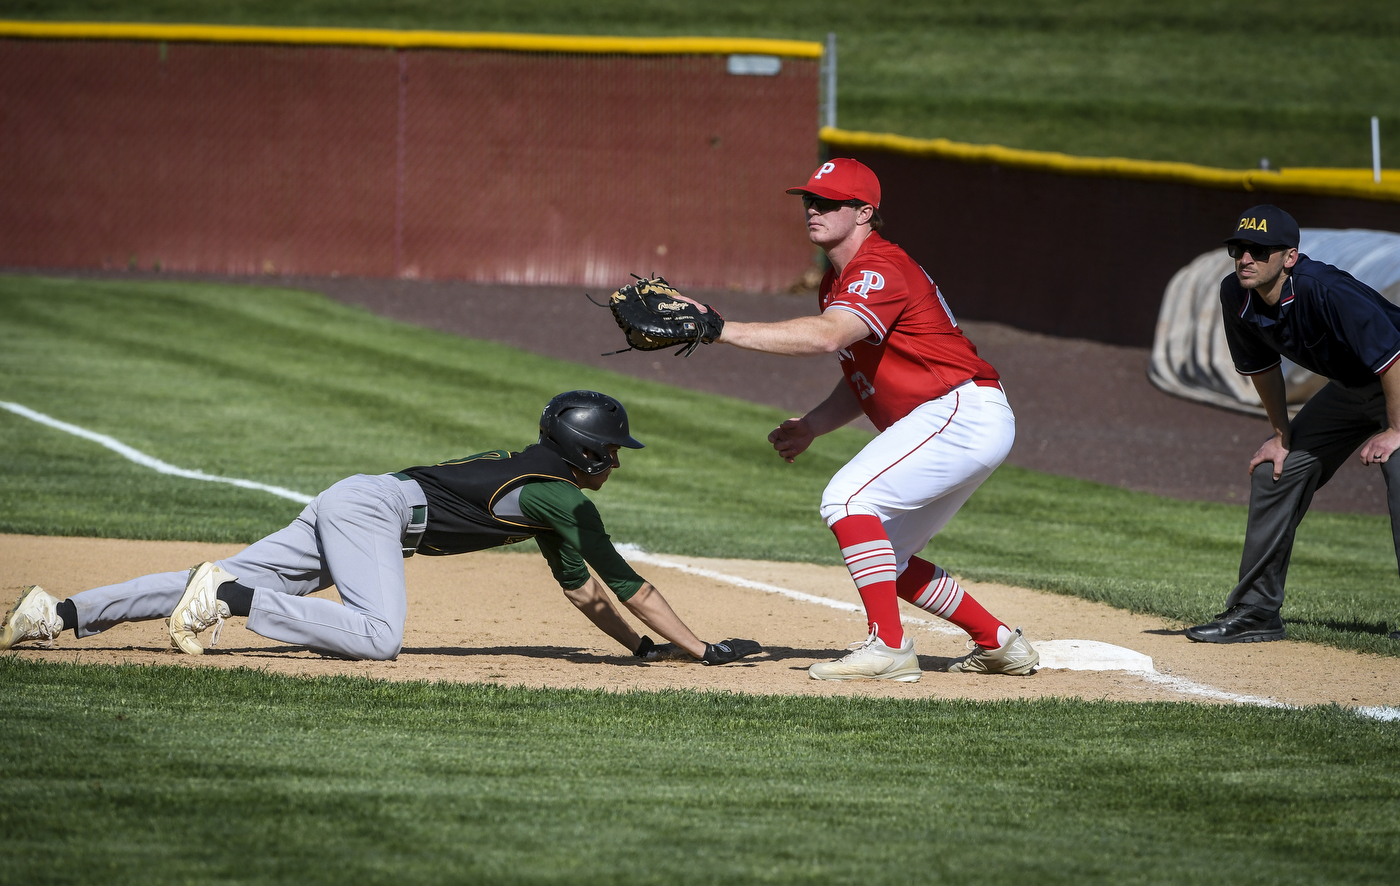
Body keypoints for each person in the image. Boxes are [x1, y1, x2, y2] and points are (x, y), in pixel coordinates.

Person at [1, 391, 760, 664]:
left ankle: (57, 614)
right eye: (612, 453)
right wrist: (702, 652)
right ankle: (231, 601)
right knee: (377, 636)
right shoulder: (564, 499)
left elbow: (590, 598)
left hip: (360, 500)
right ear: (586, 452)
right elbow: (631, 585)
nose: (616, 465)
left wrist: (643, 651)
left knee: (211, 577)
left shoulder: (542, 486)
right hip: (374, 513)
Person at [688, 157, 1038, 680]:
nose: (814, 209)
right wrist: (812, 425)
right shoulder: (837, 282)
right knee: (884, 556)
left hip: (958, 410)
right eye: (810, 200)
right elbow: (862, 377)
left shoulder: (879, 268)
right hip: (958, 417)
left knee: (848, 499)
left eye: (829, 202)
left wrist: (718, 328)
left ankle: (889, 648)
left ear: (864, 212)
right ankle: (999, 642)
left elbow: (826, 337)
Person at [1188, 206, 1400, 644]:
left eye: (1259, 250)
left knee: (1399, 466)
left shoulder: (1326, 289)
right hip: (1350, 389)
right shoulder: (1237, 294)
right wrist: (1281, 435)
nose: (1245, 258)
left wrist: (1396, 429)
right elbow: (1262, 368)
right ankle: (1257, 611)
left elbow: (1393, 358)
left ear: (1288, 257)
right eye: (1238, 248)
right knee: (1274, 472)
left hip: (1396, 380)